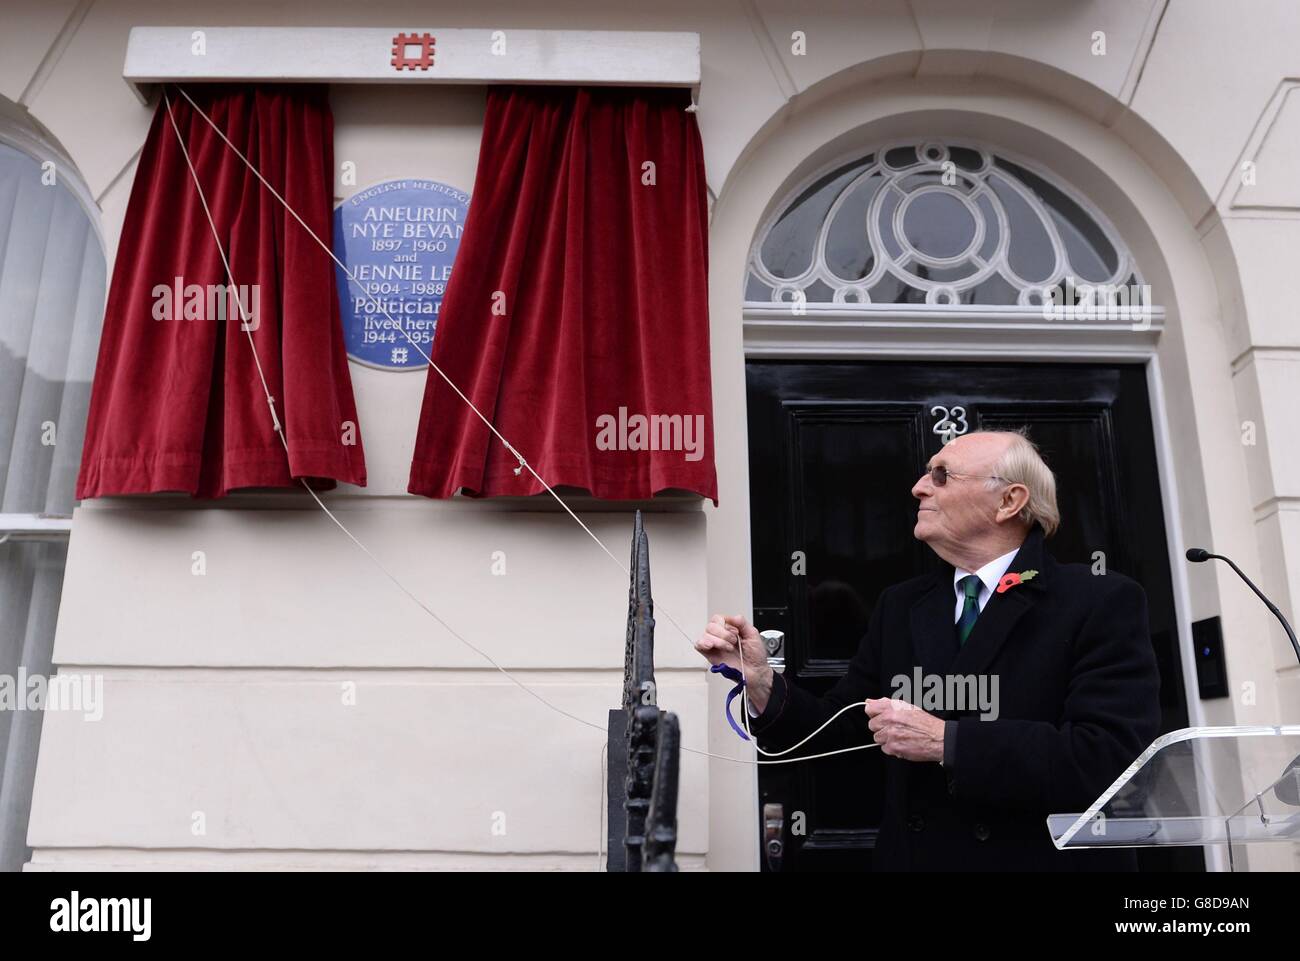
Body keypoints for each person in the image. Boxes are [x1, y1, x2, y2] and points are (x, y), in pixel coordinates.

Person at [696, 430, 1161, 871]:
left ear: (1009, 501)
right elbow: (840, 735)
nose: (919, 488)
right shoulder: (902, 605)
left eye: (941, 475)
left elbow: (1109, 761)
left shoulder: (1099, 601)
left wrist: (948, 743)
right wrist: (760, 682)